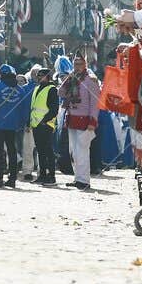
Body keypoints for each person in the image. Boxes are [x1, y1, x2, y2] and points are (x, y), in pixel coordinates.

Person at [59, 55, 101, 190]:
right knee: (73, 151)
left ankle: (84, 180)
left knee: (82, 150)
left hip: (85, 119)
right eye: (75, 63)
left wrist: (92, 122)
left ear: (85, 64)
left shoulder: (91, 80)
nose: (77, 66)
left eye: (80, 63)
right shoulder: (72, 79)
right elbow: (61, 92)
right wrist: (68, 79)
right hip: (72, 118)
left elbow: (95, 103)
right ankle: (77, 178)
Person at [29, 62, 60, 185]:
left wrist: (44, 120)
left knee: (48, 151)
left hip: (46, 125)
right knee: (41, 151)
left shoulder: (52, 89)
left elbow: (54, 109)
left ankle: (51, 176)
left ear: (48, 77)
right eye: (39, 76)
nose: (40, 78)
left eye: (42, 76)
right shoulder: (37, 88)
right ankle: (42, 175)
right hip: (36, 125)